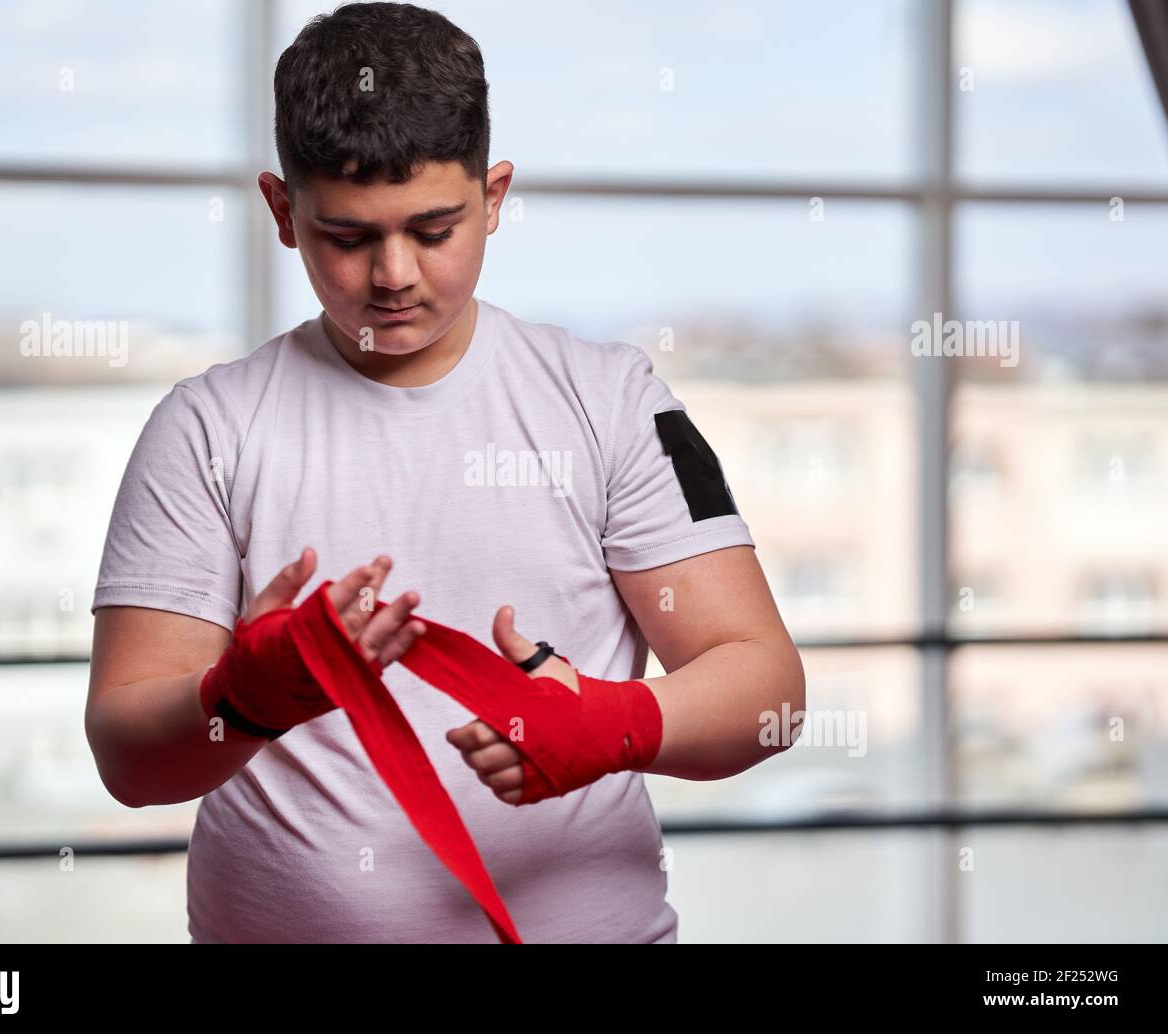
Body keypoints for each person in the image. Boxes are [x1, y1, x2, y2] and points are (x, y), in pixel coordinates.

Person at [85, 1, 804, 944]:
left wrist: (612, 724)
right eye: (347, 236)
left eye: (434, 229)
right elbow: (131, 766)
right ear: (281, 212)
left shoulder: (616, 401)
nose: (394, 275)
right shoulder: (204, 429)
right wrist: (242, 697)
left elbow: (768, 691)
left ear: (495, 197)